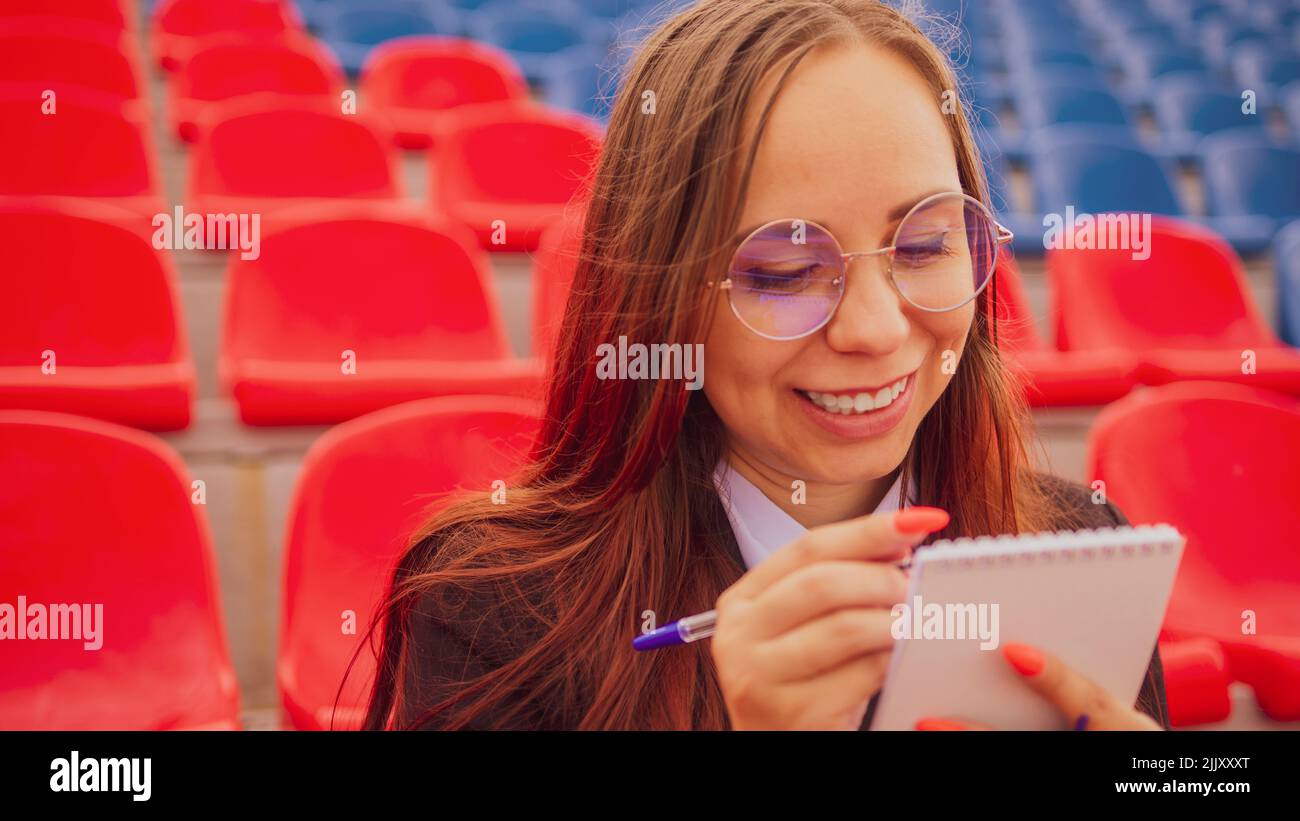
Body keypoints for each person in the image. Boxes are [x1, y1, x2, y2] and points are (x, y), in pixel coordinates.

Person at [363, 0, 1167, 731]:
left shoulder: (1082, 545)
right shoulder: (490, 607)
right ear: (664, 295)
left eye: (924, 245)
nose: (876, 330)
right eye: (782, 271)